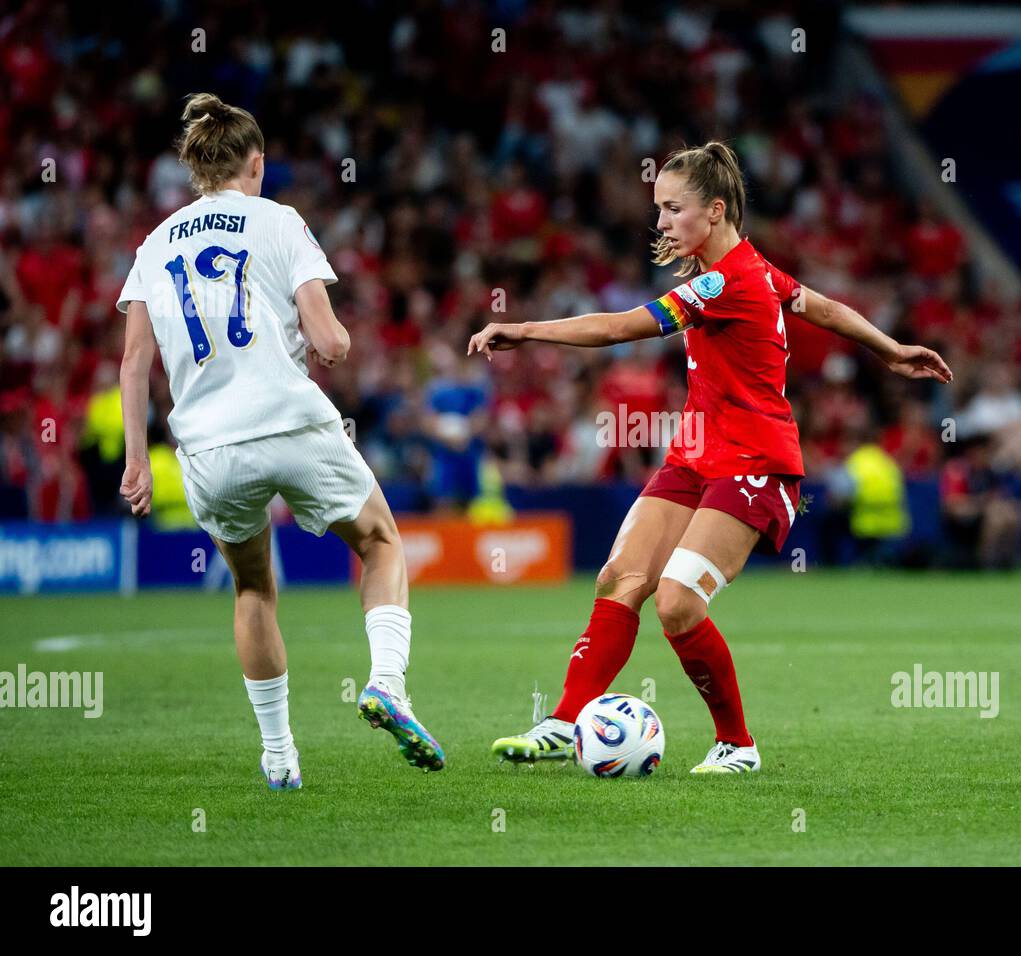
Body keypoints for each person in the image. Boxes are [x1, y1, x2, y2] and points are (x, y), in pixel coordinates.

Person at [468, 142, 951, 773]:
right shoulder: (755, 272)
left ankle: (737, 745)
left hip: (756, 461)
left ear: (715, 211)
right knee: (621, 579)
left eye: (673, 209)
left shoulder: (726, 282)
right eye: (658, 209)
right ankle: (563, 724)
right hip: (694, 458)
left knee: (676, 601)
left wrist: (525, 330)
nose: (661, 222)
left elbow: (618, 329)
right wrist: (889, 348)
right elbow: (822, 306)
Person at [116, 94, 444, 791]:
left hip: (207, 446)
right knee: (381, 542)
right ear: (256, 163)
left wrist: (138, 460)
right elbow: (327, 339)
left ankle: (279, 756)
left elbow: (134, 361)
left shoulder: (153, 245)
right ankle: (387, 682)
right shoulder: (280, 220)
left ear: (197, 168)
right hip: (289, 420)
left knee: (253, 587)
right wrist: (339, 344)